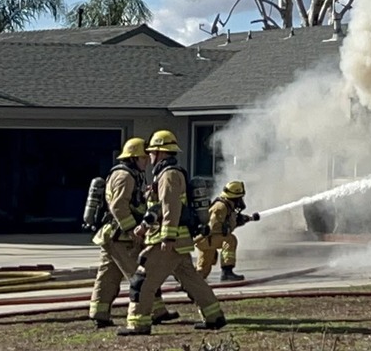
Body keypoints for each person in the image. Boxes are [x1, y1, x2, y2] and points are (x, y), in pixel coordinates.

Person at [117, 130, 226, 336]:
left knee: (142, 281)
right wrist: (144, 226)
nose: (149, 157)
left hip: (168, 242)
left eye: (151, 152)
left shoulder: (169, 175)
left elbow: (170, 207)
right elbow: (158, 208)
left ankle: (138, 324)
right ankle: (214, 316)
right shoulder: (166, 174)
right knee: (192, 281)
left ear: (160, 153)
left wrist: (167, 236)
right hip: (178, 240)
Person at [88, 137, 179, 328]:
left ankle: (99, 313)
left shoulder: (130, 174)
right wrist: (132, 230)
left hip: (112, 235)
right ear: (134, 158)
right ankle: (157, 311)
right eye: (143, 157)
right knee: (141, 274)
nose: (147, 161)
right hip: (120, 236)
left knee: (108, 276)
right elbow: (119, 206)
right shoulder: (125, 176)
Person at [195, 180, 260, 281]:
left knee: (202, 272)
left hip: (205, 240)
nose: (241, 201)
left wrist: (248, 219)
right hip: (205, 238)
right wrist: (230, 227)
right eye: (240, 198)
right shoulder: (221, 207)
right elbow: (214, 227)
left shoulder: (228, 206)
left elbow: (230, 220)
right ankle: (227, 271)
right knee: (230, 240)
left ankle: (190, 280)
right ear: (234, 197)